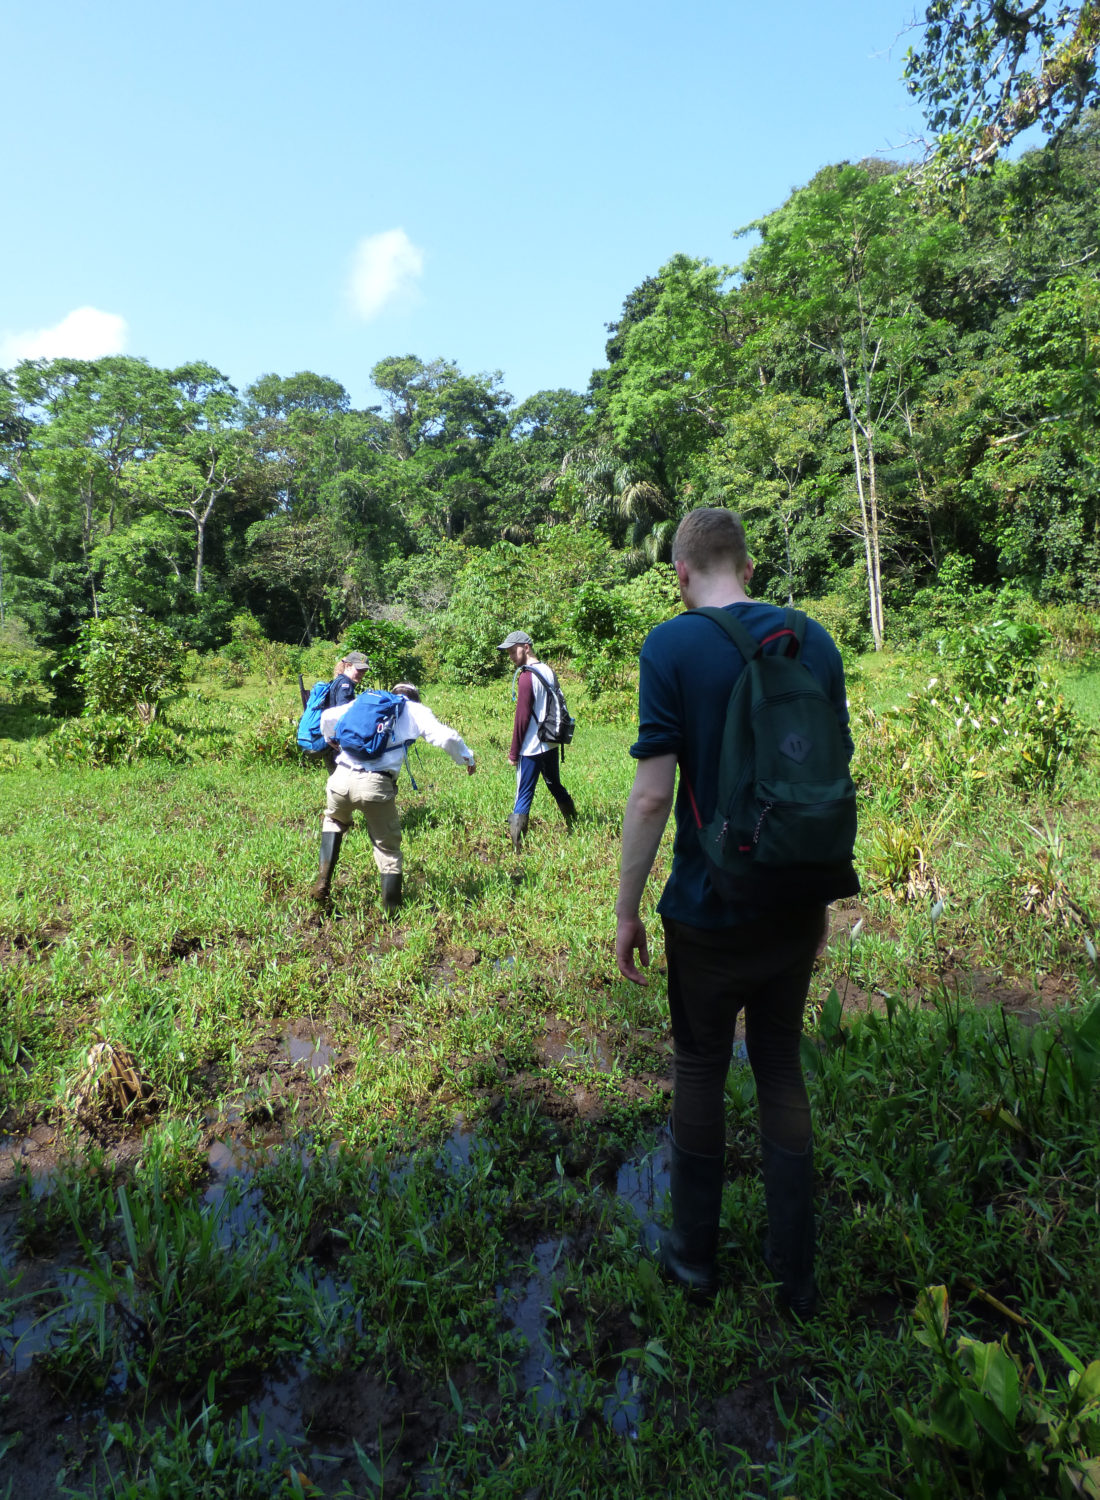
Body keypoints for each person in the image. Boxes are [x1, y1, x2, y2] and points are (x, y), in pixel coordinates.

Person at [613, 508, 855, 1314]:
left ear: (680, 573)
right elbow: (831, 766)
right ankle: (798, 1275)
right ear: (747, 568)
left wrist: (626, 911)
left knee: (698, 1069)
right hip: (795, 901)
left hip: (706, 910)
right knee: (780, 1067)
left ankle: (693, 1267)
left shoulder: (670, 645)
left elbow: (652, 797)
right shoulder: (812, 639)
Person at [309, 682, 476, 913]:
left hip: (340, 777)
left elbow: (327, 716)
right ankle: (392, 914)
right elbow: (446, 738)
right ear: (415, 698)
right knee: (387, 849)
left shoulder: (365, 702)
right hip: (375, 785)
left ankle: (323, 881)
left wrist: (331, 740)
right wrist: (467, 758)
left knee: (334, 821)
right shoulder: (415, 710)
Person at [496, 630, 576, 853]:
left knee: (523, 794)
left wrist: (513, 754)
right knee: (554, 784)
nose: (511, 656)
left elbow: (521, 718)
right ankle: (574, 825)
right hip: (550, 742)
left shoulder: (526, 676)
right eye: (509, 652)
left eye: (513, 651)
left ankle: (517, 850)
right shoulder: (547, 670)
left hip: (531, 746)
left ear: (526, 648)